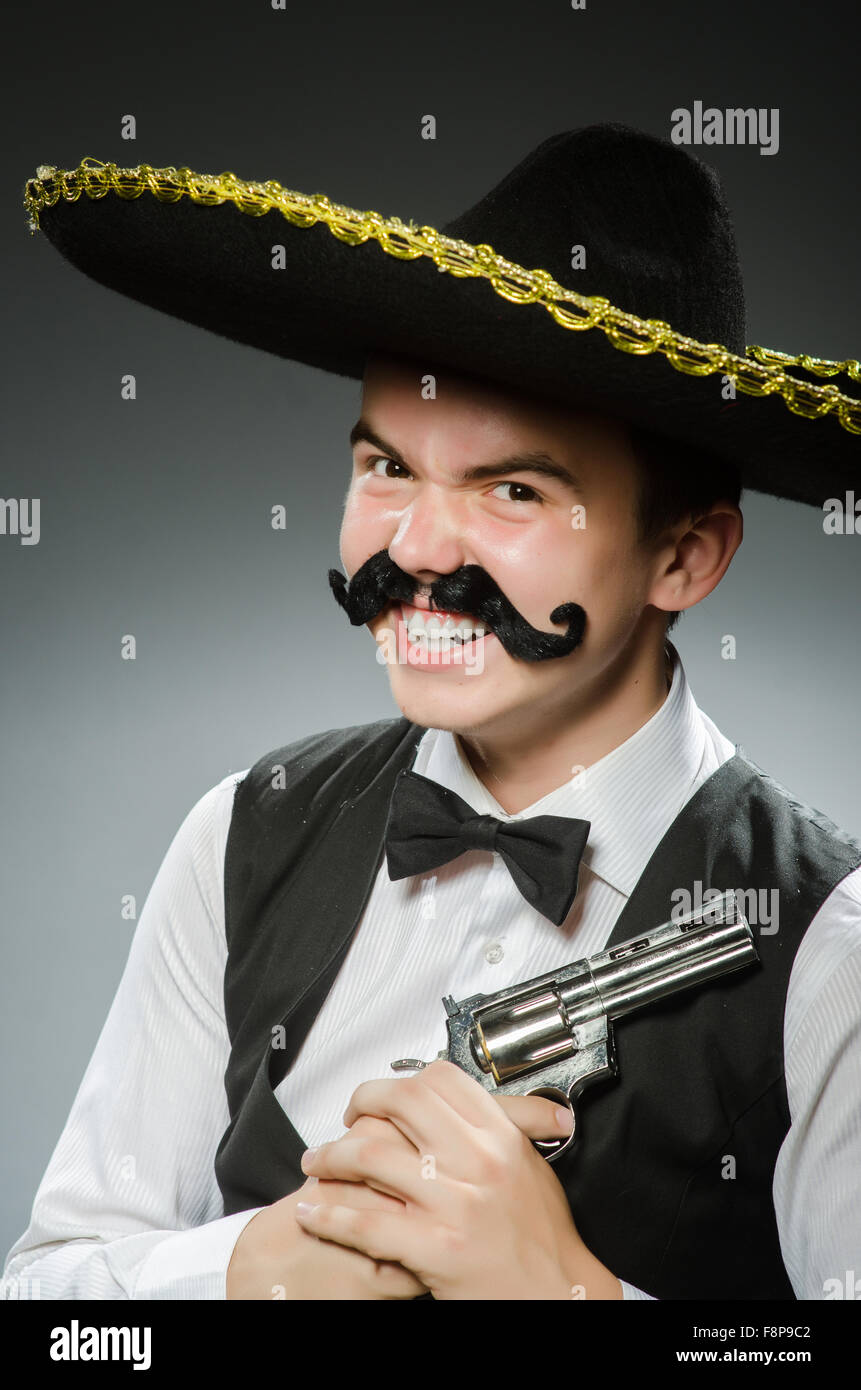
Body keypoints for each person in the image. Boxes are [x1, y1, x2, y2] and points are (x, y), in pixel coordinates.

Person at [6, 123, 860, 1300]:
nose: (413, 549)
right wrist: (249, 1269)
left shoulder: (831, 949)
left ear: (686, 555)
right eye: (387, 468)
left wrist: (564, 1292)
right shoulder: (240, 838)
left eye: (513, 489)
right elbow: (55, 1314)